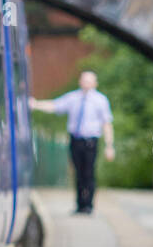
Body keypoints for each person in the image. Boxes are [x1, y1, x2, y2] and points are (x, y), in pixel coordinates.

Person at [30, 70, 114, 214]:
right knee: (78, 172)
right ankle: (80, 204)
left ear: (95, 83)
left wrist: (109, 146)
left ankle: (88, 204)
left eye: (89, 81)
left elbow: (106, 123)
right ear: (80, 82)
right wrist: (36, 104)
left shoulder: (101, 100)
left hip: (91, 141)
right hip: (76, 140)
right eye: (84, 80)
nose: (86, 84)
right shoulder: (73, 98)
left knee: (89, 172)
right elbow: (55, 105)